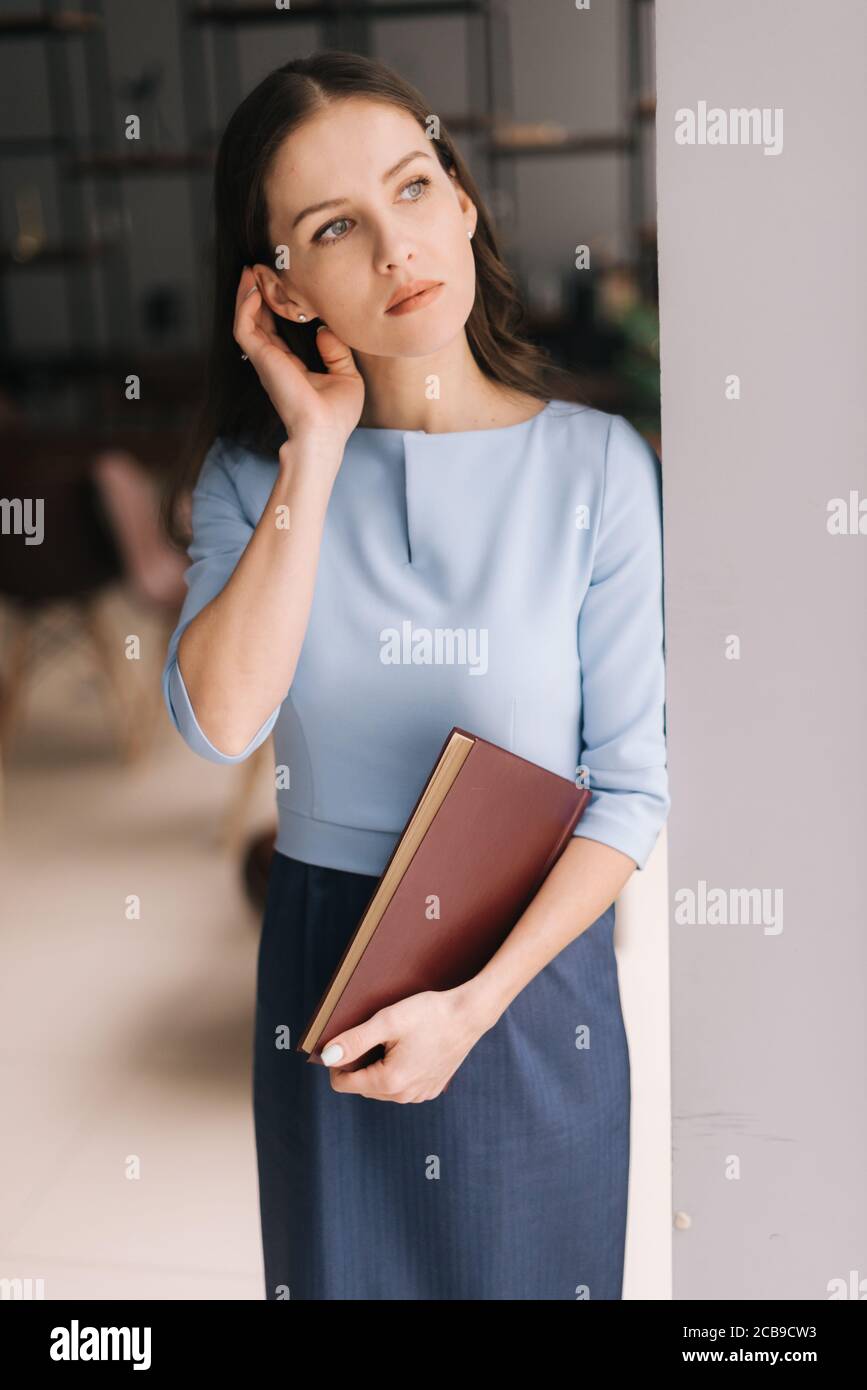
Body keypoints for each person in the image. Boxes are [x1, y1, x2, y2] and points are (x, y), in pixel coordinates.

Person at [161, 51, 670, 1301]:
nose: (397, 248)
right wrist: (315, 452)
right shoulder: (255, 479)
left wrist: (476, 1004)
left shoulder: (598, 468)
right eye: (337, 226)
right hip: (333, 970)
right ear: (280, 284)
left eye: (413, 188)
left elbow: (633, 790)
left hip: (530, 980)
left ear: (464, 201)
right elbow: (224, 724)